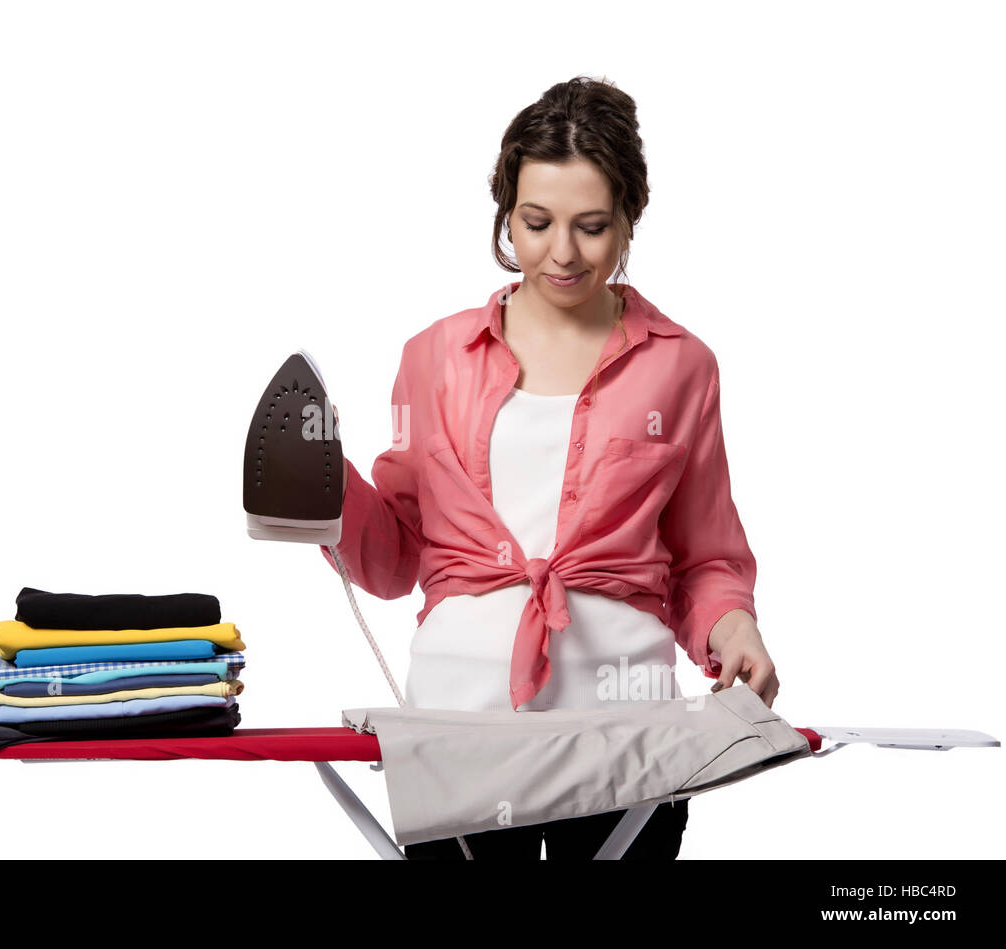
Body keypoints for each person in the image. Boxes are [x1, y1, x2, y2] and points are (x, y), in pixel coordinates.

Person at [321, 76, 779, 860]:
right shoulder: (432, 358)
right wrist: (320, 489)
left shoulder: (683, 367)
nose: (561, 254)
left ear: (630, 217)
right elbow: (398, 557)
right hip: (455, 731)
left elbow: (705, 558)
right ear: (506, 210)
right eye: (536, 223)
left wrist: (734, 626)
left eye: (592, 226)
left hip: (628, 740)